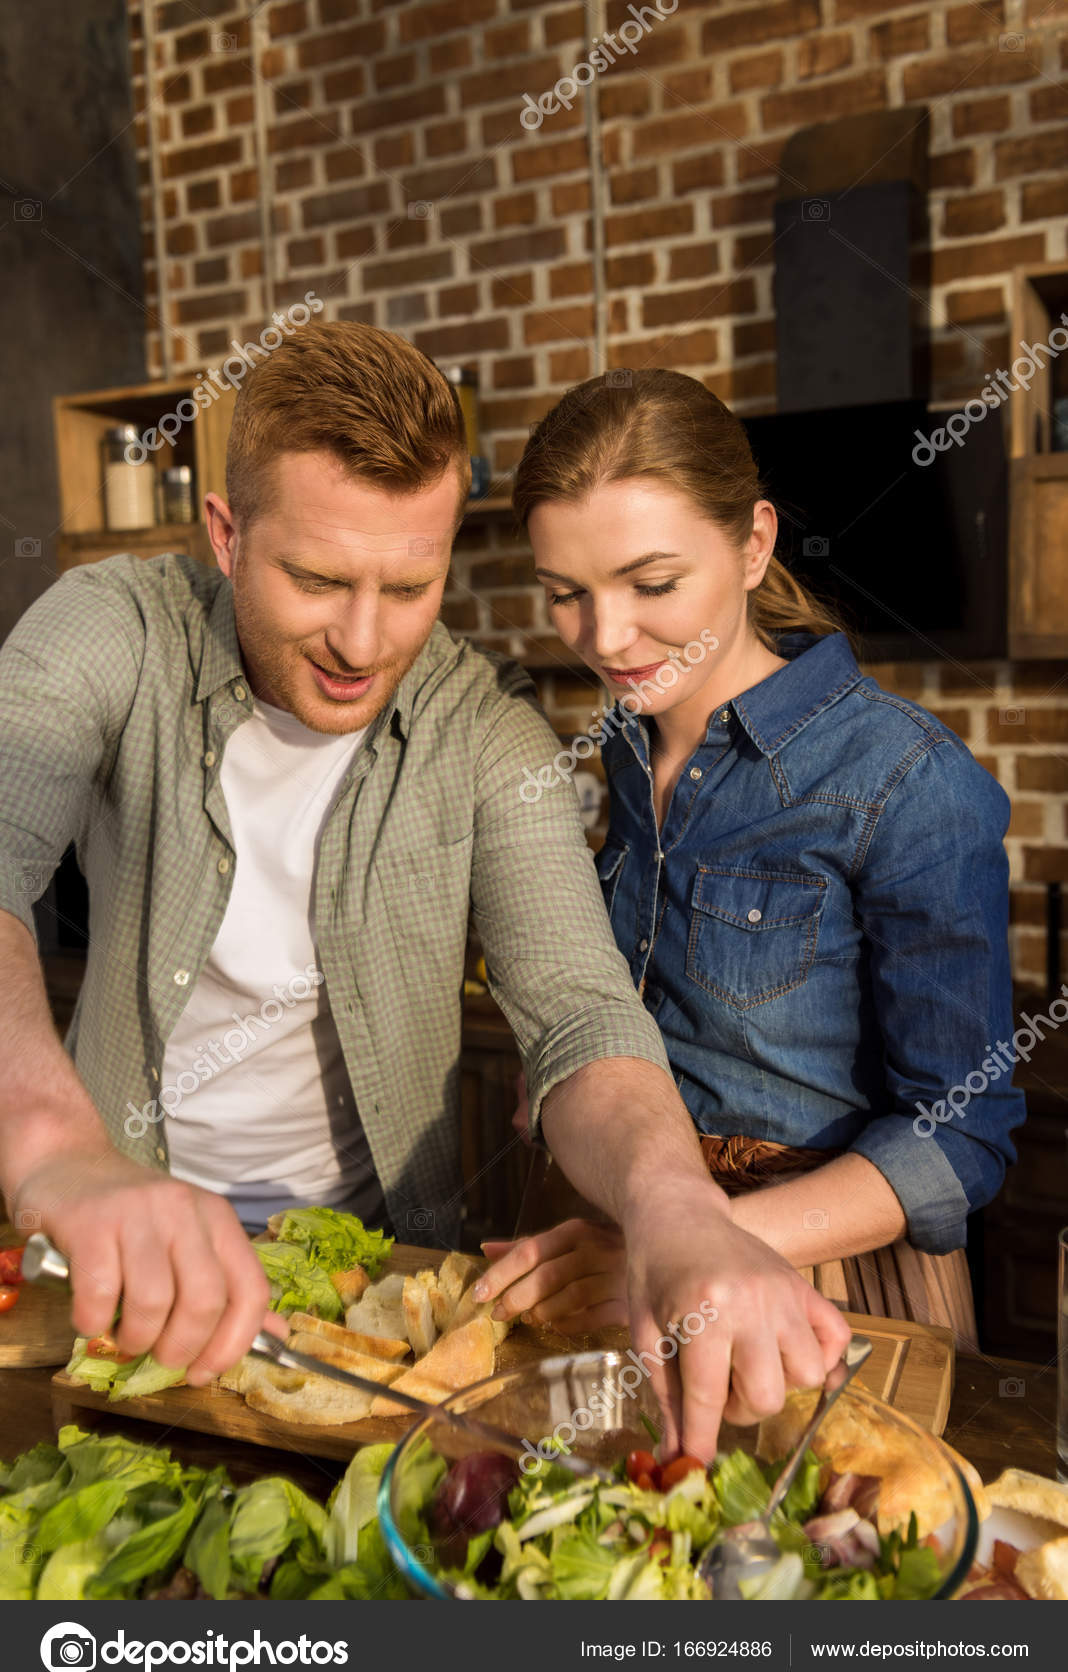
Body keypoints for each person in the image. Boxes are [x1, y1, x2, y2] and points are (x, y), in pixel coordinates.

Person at [0, 324, 849, 1458]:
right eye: (316, 578)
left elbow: (577, 1006)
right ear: (224, 531)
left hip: (370, 1278)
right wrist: (60, 1147)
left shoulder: (485, 731)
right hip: (116, 1264)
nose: (362, 638)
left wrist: (676, 1203)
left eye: (410, 585)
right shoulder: (114, 628)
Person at [475, 368, 1024, 1354]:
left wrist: (697, 1235)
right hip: (627, 1241)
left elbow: (962, 1134)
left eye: (652, 584)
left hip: (824, 1275)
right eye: (566, 593)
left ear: (754, 543)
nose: (605, 636)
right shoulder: (624, 747)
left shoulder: (905, 776)